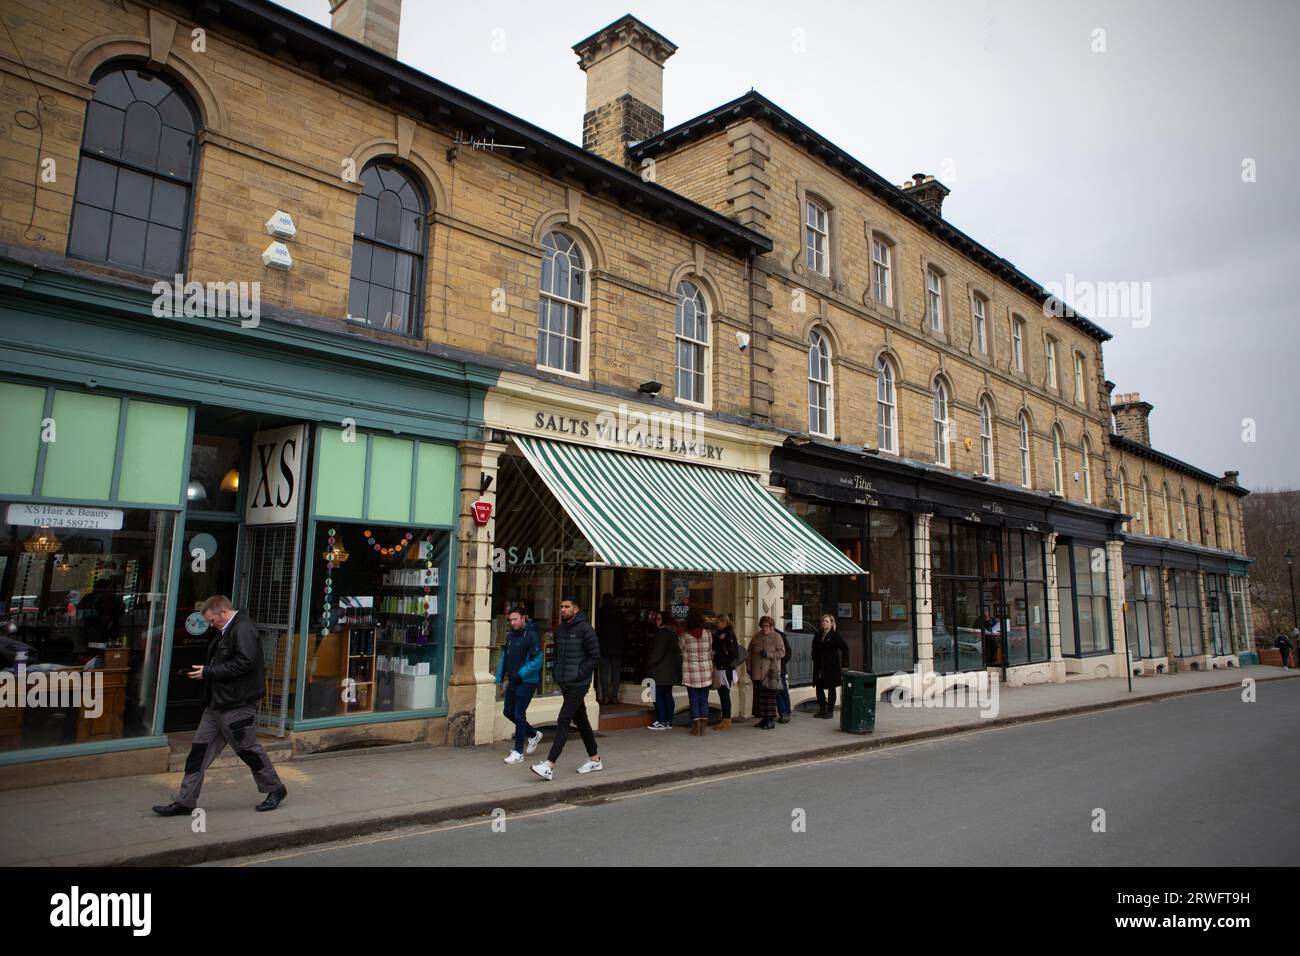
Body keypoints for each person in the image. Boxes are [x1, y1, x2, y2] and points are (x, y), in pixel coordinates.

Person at [152, 595, 286, 816]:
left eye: (213, 620)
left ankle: (276, 789)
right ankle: (185, 801)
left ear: (223, 612)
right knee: (198, 752)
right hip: (217, 704)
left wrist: (208, 672)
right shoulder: (227, 629)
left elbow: (245, 663)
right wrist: (206, 671)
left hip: (237, 703)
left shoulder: (243, 628)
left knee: (248, 750)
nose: (211, 625)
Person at [532, 597, 602, 780]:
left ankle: (549, 765)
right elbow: (556, 653)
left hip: (579, 684)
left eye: (566, 607)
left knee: (563, 719)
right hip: (565, 682)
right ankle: (595, 759)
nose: (562, 609)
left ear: (576, 609)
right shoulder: (561, 629)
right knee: (582, 721)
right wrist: (557, 673)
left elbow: (594, 657)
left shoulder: (586, 629)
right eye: (561, 606)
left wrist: (579, 674)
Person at [495, 606, 544, 763]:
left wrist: (521, 673)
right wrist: (499, 676)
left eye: (515, 619)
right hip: (513, 681)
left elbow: (537, 660)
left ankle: (518, 752)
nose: (513, 622)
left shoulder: (531, 636)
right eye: (511, 620)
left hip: (527, 682)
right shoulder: (511, 636)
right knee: (508, 711)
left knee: (518, 713)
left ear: (524, 618)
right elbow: (505, 657)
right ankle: (533, 734)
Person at [645, 609, 681, 730]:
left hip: (660, 671)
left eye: (659, 619)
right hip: (670, 671)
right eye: (656, 619)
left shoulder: (661, 633)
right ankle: (668, 721)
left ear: (664, 620)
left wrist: (650, 663)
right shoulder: (672, 633)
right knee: (667, 695)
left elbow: (657, 653)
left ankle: (661, 720)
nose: (657, 621)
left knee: (658, 696)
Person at [679, 611, 714, 736]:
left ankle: (696, 729)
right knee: (704, 700)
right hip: (706, 671)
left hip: (691, 673)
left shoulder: (685, 637)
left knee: (693, 701)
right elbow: (710, 651)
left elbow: (681, 650)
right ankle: (703, 729)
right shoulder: (708, 635)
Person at [748, 616, 785, 730]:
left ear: (771, 626)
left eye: (767, 626)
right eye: (763, 626)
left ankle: (770, 721)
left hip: (769, 672)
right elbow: (749, 653)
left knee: (769, 698)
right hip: (756, 673)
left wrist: (769, 654)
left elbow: (782, 652)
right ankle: (763, 719)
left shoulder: (777, 637)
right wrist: (749, 668)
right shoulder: (756, 637)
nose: (765, 628)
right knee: (759, 698)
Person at [812, 613, 849, 719]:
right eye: (823, 621)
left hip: (831, 667)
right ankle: (822, 710)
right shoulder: (818, 634)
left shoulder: (835, 635)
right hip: (819, 666)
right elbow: (814, 649)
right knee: (819, 688)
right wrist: (814, 658)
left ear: (831, 623)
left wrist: (845, 664)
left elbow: (845, 648)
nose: (824, 623)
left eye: (827, 621)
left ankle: (830, 711)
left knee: (831, 688)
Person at [594, 593, 626, 704]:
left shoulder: (599, 613)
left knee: (603, 672)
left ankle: (605, 696)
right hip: (617, 646)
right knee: (616, 672)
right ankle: (615, 696)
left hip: (603, 646)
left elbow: (596, 630)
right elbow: (624, 630)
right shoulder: (619, 612)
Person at [712, 613, 741, 731]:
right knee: (722, 694)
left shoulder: (729, 634)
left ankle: (727, 720)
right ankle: (725, 718)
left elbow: (733, 654)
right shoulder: (720, 634)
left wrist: (722, 663)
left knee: (724, 695)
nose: (716, 624)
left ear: (724, 622)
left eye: (718, 622)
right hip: (721, 668)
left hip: (725, 669)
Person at [776, 622, 793, 723]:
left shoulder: (781, 635)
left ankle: (785, 711)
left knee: (782, 690)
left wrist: (781, 663)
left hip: (780, 668)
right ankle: (784, 711)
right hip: (771, 669)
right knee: (777, 690)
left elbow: (788, 652)